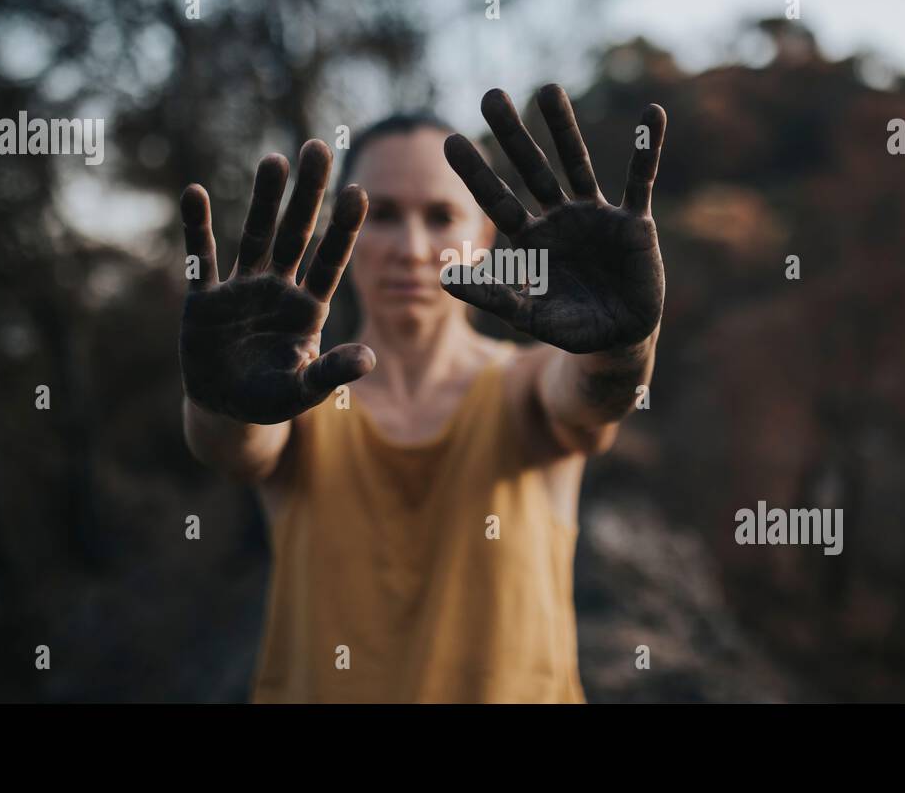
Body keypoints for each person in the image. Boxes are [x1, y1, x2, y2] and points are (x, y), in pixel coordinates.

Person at [177, 84, 666, 702]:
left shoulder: (526, 389)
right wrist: (221, 399)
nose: (411, 250)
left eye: (440, 217)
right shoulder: (298, 406)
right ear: (341, 235)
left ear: (484, 235)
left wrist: (624, 345)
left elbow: (597, 399)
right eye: (381, 215)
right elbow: (233, 444)